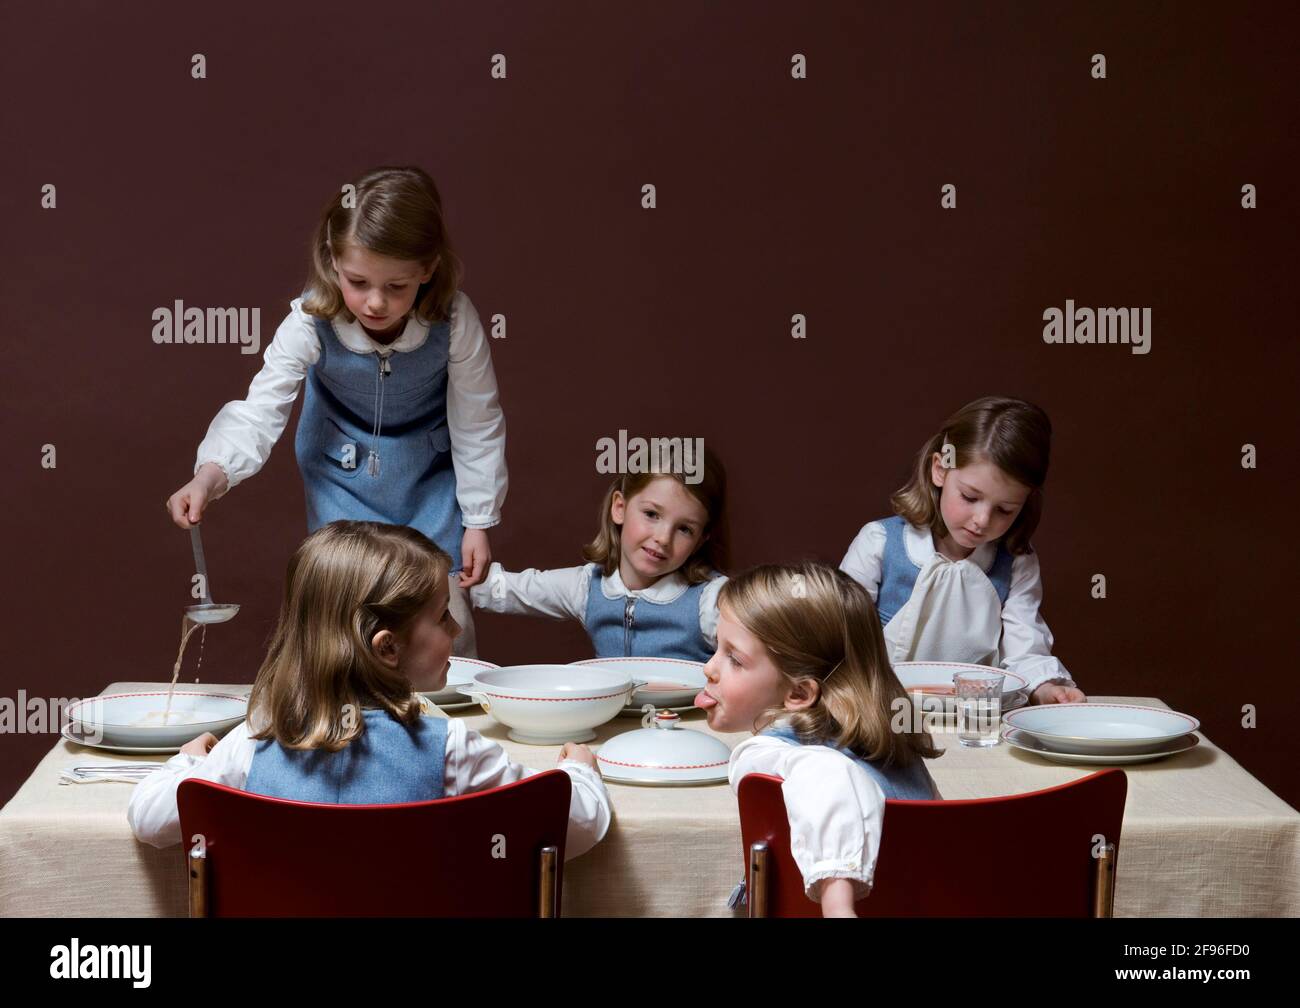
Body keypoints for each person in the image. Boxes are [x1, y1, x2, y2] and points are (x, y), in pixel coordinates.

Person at [165, 166, 506, 657]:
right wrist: (210, 476)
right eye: (358, 281)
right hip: (340, 488)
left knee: (442, 630)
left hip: (428, 490)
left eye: (397, 287)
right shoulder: (309, 321)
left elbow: (478, 421)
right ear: (332, 262)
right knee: (342, 636)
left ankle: (450, 731)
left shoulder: (454, 321)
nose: (375, 302)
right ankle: (339, 729)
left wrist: (478, 520)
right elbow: (261, 410)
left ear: (428, 270)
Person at [128, 521, 610, 861]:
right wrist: (579, 771)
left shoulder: (250, 747)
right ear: (387, 649)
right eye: (444, 615)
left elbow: (149, 821)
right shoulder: (454, 752)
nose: (457, 631)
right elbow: (579, 827)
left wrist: (188, 762)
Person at [699, 562, 941, 917]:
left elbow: (826, 772)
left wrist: (838, 904)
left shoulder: (767, 754)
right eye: (718, 648)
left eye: (734, 658)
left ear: (798, 693)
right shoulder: (897, 753)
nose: (709, 667)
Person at [841, 396, 1085, 704]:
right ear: (940, 470)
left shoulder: (1016, 563)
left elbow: (1025, 647)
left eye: (1005, 510)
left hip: (975, 721)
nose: (982, 521)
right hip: (884, 716)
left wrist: (1046, 687)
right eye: (970, 497)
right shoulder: (879, 543)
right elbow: (842, 638)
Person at [471, 451, 729, 661]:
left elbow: (760, 657)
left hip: (690, 723)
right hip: (612, 724)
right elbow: (510, 590)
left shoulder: (712, 600)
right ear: (620, 508)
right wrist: (454, 571)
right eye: (651, 514)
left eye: (684, 529)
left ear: (699, 541)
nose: (663, 537)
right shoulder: (589, 586)